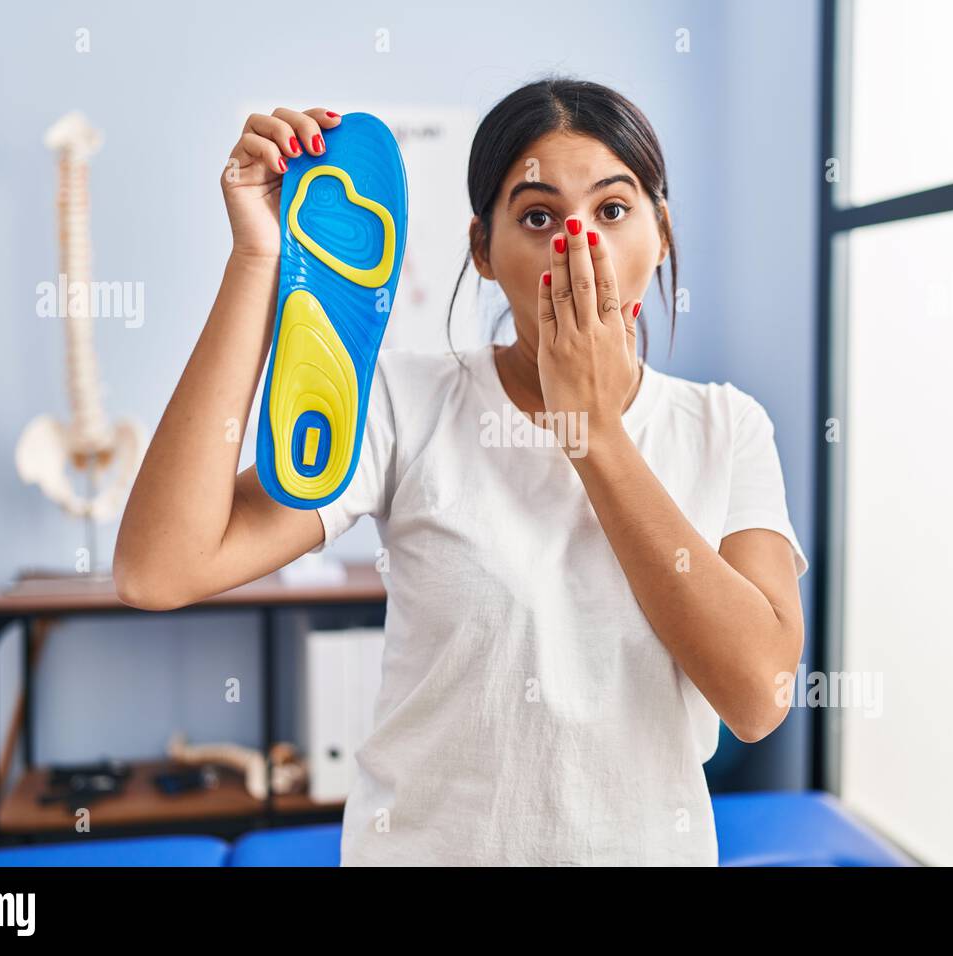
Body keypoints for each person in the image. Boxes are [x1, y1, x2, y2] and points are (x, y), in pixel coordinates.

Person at [114, 76, 809, 866]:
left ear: (662, 231)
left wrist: (594, 436)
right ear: (483, 250)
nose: (578, 246)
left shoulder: (726, 427)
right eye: (539, 215)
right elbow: (157, 570)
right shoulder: (407, 404)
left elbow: (759, 698)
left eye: (612, 210)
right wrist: (255, 260)